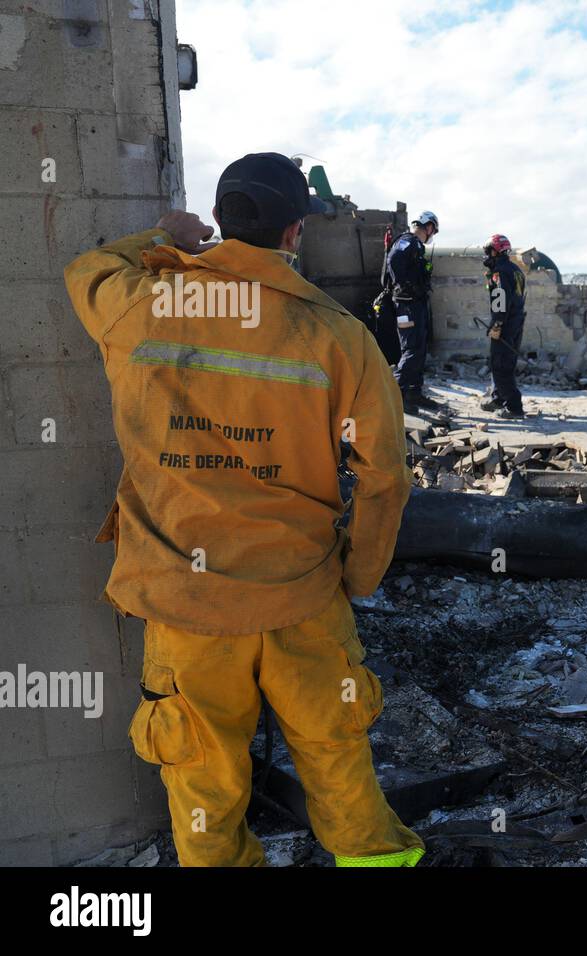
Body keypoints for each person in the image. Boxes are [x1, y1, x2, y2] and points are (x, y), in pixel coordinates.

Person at [63, 151, 425, 867]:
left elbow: (86, 272)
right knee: (342, 774)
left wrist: (162, 237)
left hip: (187, 605)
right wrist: (358, 574)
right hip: (303, 594)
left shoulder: (144, 304)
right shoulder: (339, 337)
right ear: (294, 232)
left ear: (221, 222)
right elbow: (383, 476)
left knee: (204, 791)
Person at [386, 210, 438, 412]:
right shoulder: (407, 241)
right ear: (429, 227)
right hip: (406, 304)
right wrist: (405, 286)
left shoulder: (416, 246)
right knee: (412, 349)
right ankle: (396, 396)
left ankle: (414, 393)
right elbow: (394, 261)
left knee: (420, 348)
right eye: (433, 230)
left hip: (415, 304)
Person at [480, 233, 526, 419]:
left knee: (500, 366)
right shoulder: (516, 270)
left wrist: (497, 325)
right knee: (504, 363)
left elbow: (500, 302)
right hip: (516, 322)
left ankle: (514, 407)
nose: (486, 255)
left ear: (495, 251)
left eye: (488, 251)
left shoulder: (499, 272)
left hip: (505, 324)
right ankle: (498, 398)